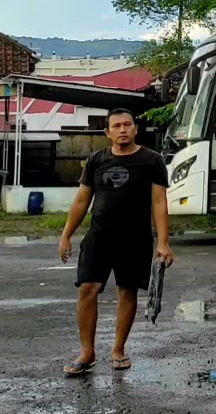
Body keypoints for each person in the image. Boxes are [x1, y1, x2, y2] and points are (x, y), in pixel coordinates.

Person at [58, 107, 174, 376]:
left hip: (135, 238)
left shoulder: (152, 161)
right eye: (117, 126)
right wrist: (66, 235)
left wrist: (163, 242)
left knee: (127, 291)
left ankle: (118, 349)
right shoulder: (96, 160)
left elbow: (159, 202)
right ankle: (87, 352)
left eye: (127, 125)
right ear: (107, 132)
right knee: (87, 288)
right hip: (99, 236)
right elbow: (82, 200)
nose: (123, 130)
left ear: (135, 129)